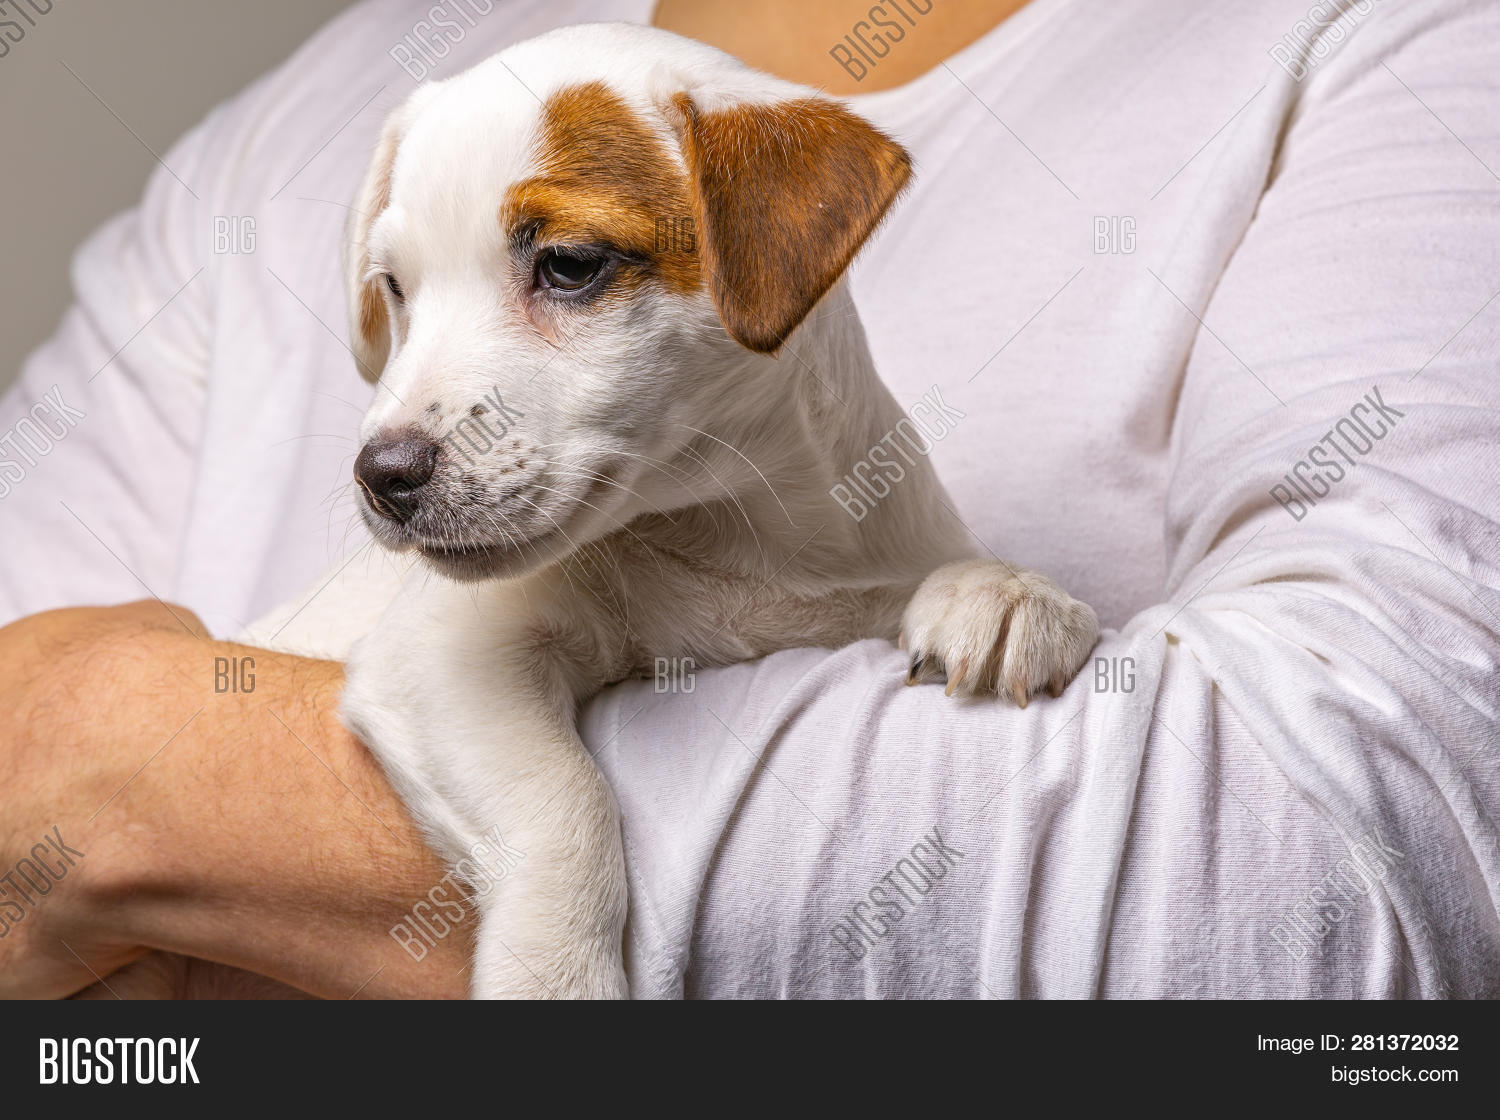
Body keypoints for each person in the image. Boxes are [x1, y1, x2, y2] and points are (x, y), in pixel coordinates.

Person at [1, 0, 1496, 999]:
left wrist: (146, 771)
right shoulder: (342, 106)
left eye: (567, 271)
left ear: (776, 253)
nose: (396, 436)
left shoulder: (1393, 47)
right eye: (399, 295)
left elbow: (1362, 866)